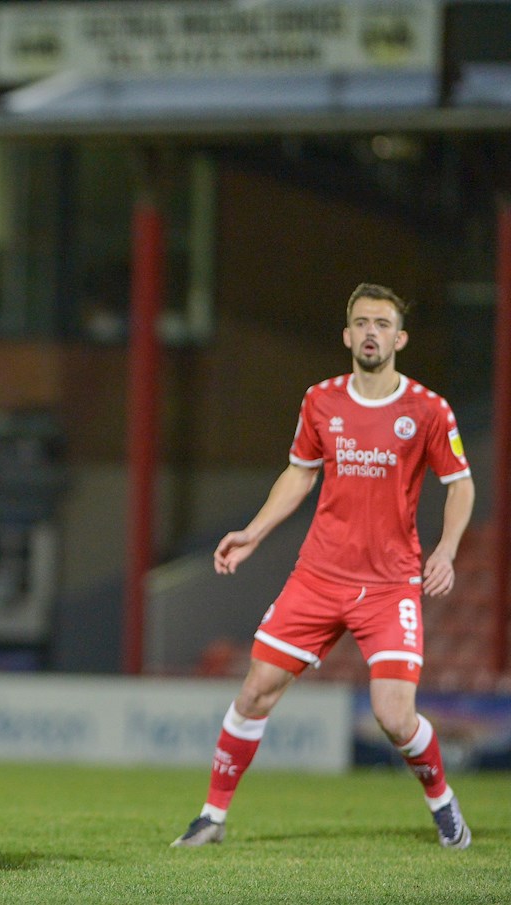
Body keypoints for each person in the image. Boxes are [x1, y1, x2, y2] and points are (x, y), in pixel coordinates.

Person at [171, 283, 476, 850]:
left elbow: (459, 484)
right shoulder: (321, 401)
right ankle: (211, 817)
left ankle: (442, 803)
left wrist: (448, 548)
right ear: (346, 334)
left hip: (389, 585)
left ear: (399, 338)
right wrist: (254, 532)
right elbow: (299, 474)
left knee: (394, 717)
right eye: (361, 322)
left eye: (382, 324)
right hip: (318, 576)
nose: (370, 332)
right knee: (255, 689)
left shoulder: (428, 410)